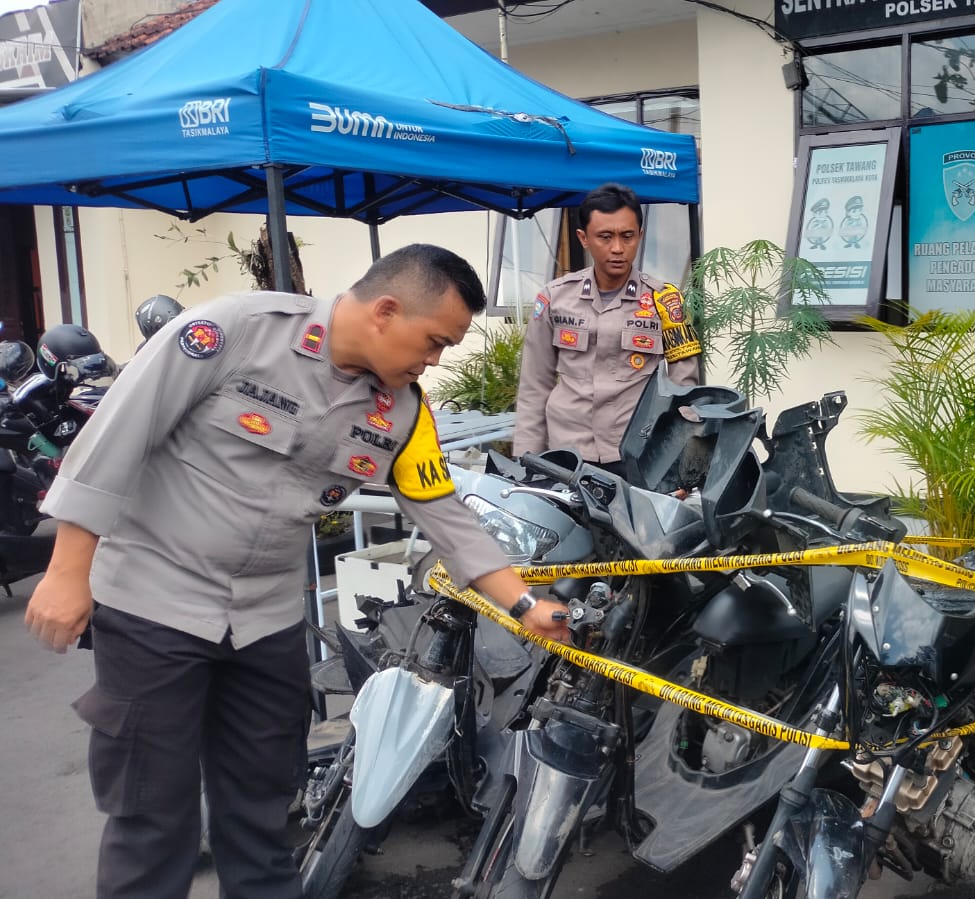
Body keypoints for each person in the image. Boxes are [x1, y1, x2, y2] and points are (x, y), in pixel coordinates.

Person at [23, 244, 570, 899]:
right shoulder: (232, 332)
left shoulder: (400, 409)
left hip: (266, 622)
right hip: (153, 607)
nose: (435, 360)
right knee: (151, 820)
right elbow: (116, 435)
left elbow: (441, 510)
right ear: (385, 311)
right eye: (433, 342)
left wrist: (523, 605)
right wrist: (66, 571)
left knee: (264, 816)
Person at [512, 183, 702, 473]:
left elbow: (684, 388)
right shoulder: (553, 298)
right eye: (605, 237)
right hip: (568, 452)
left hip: (637, 452)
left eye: (627, 236)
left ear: (640, 235)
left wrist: (683, 461)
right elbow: (534, 386)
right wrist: (527, 458)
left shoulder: (666, 300)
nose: (617, 248)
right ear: (583, 238)